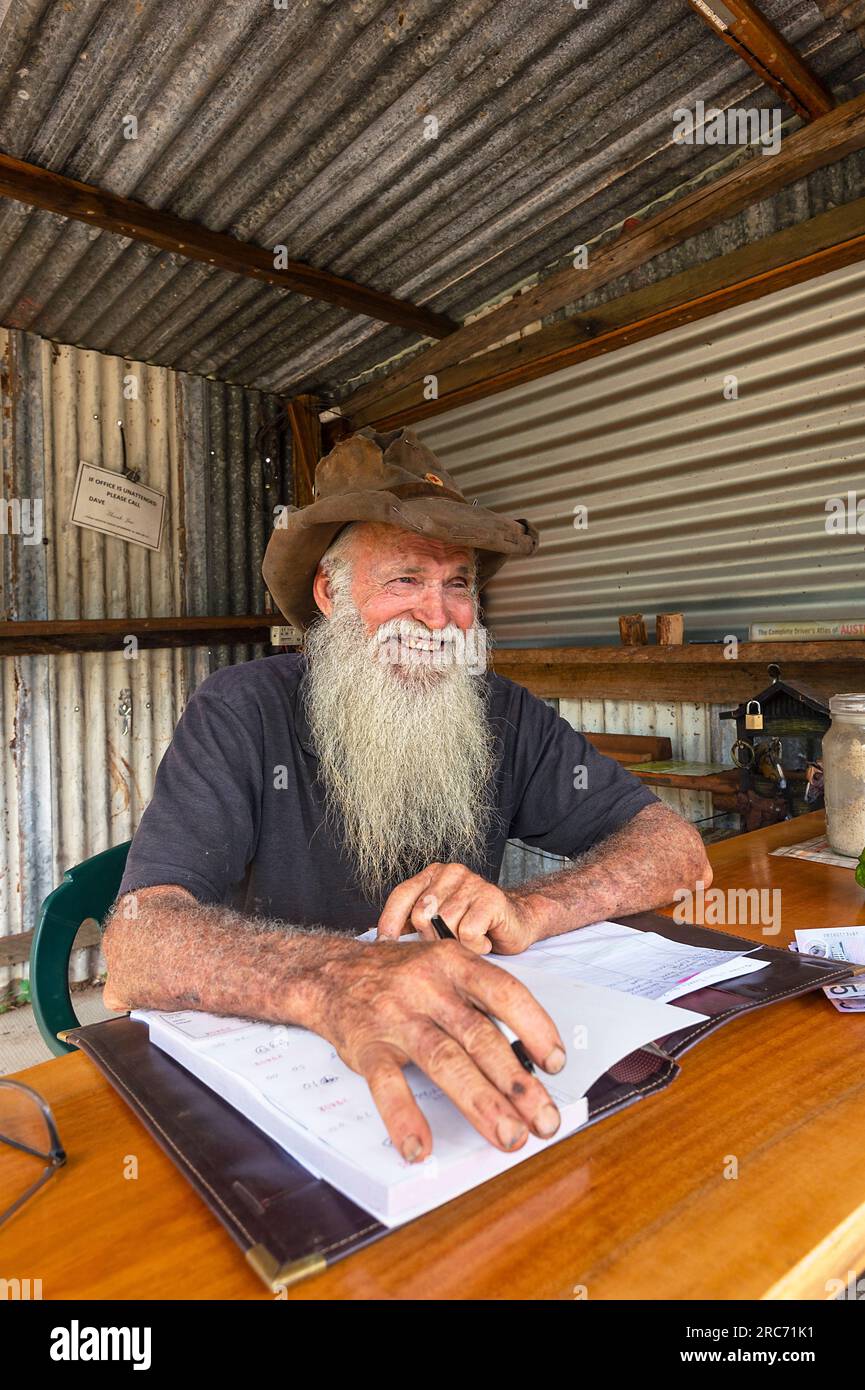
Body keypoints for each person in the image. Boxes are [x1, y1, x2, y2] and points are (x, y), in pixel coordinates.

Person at [103, 427, 711, 1162]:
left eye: (458, 584)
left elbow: (673, 849)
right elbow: (137, 942)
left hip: (463, 1050)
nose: (438, 615)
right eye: (403, 580)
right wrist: (340, 979)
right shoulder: (242, 709)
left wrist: (532, 907)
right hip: (289, 1066)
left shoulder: (500, 711)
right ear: (330, 593)